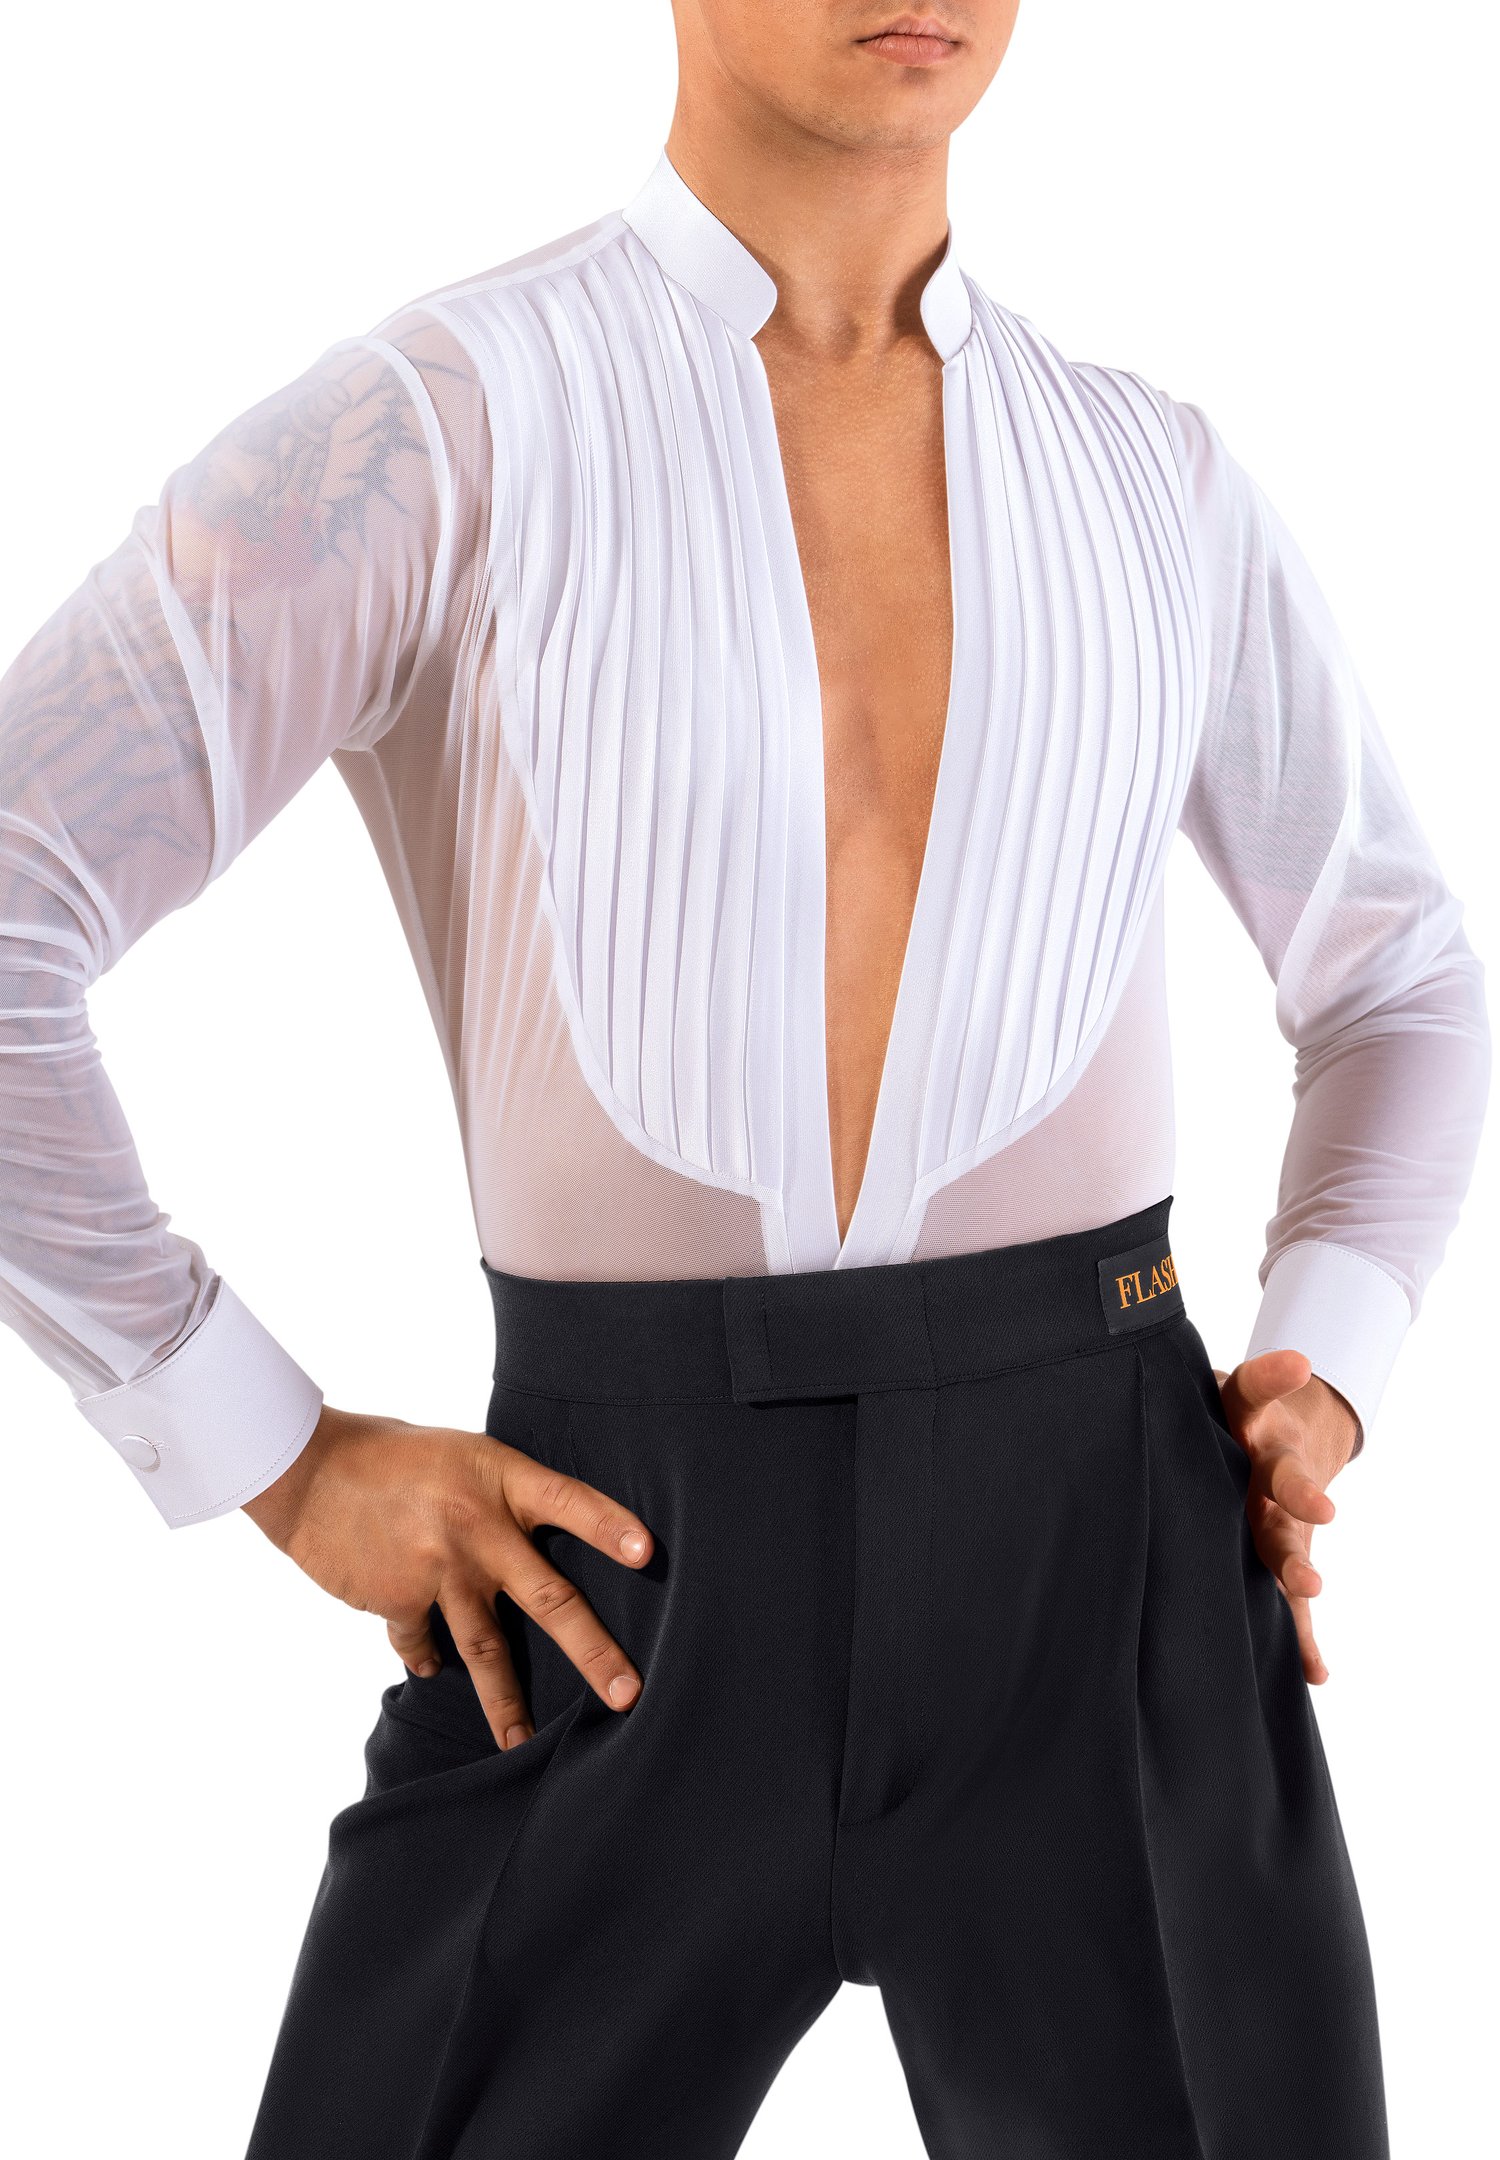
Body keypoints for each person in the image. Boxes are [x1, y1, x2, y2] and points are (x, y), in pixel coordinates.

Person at [0, 3, 1489, 2154]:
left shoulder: (1150, 476)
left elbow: (1406, 976)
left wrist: (1323, 1362)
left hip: (1111, 1563)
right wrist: (270, 1448)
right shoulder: (446, 428)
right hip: (616, 1574)